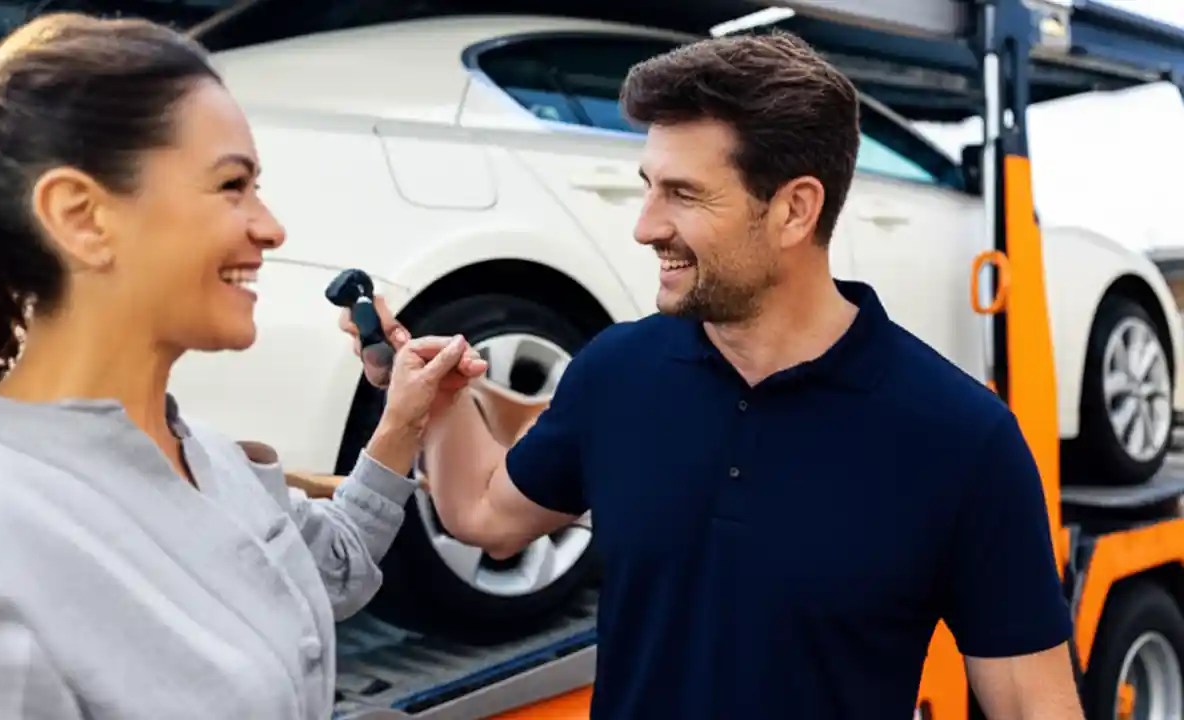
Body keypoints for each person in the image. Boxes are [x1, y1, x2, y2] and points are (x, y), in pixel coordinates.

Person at [341, 30, 1086, 719]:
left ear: (795, 210)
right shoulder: (618, 374)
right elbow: (484, 516)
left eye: (684, 194)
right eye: (648, 185)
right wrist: (438, 399)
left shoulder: (960, 439)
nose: (645, 226)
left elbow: (1033, 706)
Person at [0, 13, 483, 719]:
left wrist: (404, 417)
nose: (271, 228)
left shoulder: (210, 460)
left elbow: (329, 571)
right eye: (232, 185)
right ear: (81, 216)